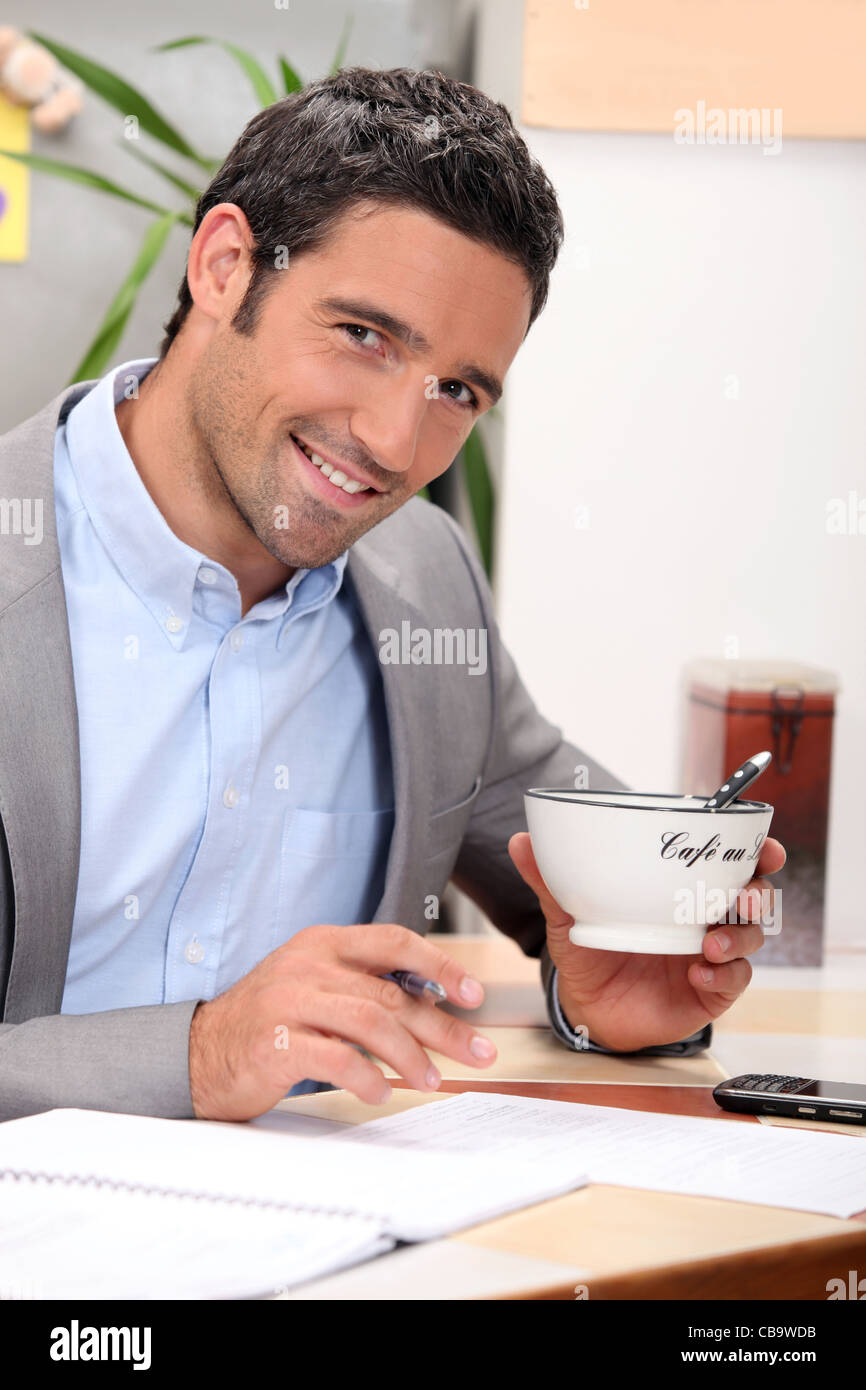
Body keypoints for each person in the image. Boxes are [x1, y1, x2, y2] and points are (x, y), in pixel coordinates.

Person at [0, 67, 783, 1123]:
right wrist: (191, 1055)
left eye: (455, 390)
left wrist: (617, 987)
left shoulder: (424, 581)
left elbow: (589, 873)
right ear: (226, 266)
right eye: (363, 336)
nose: (391, 443)